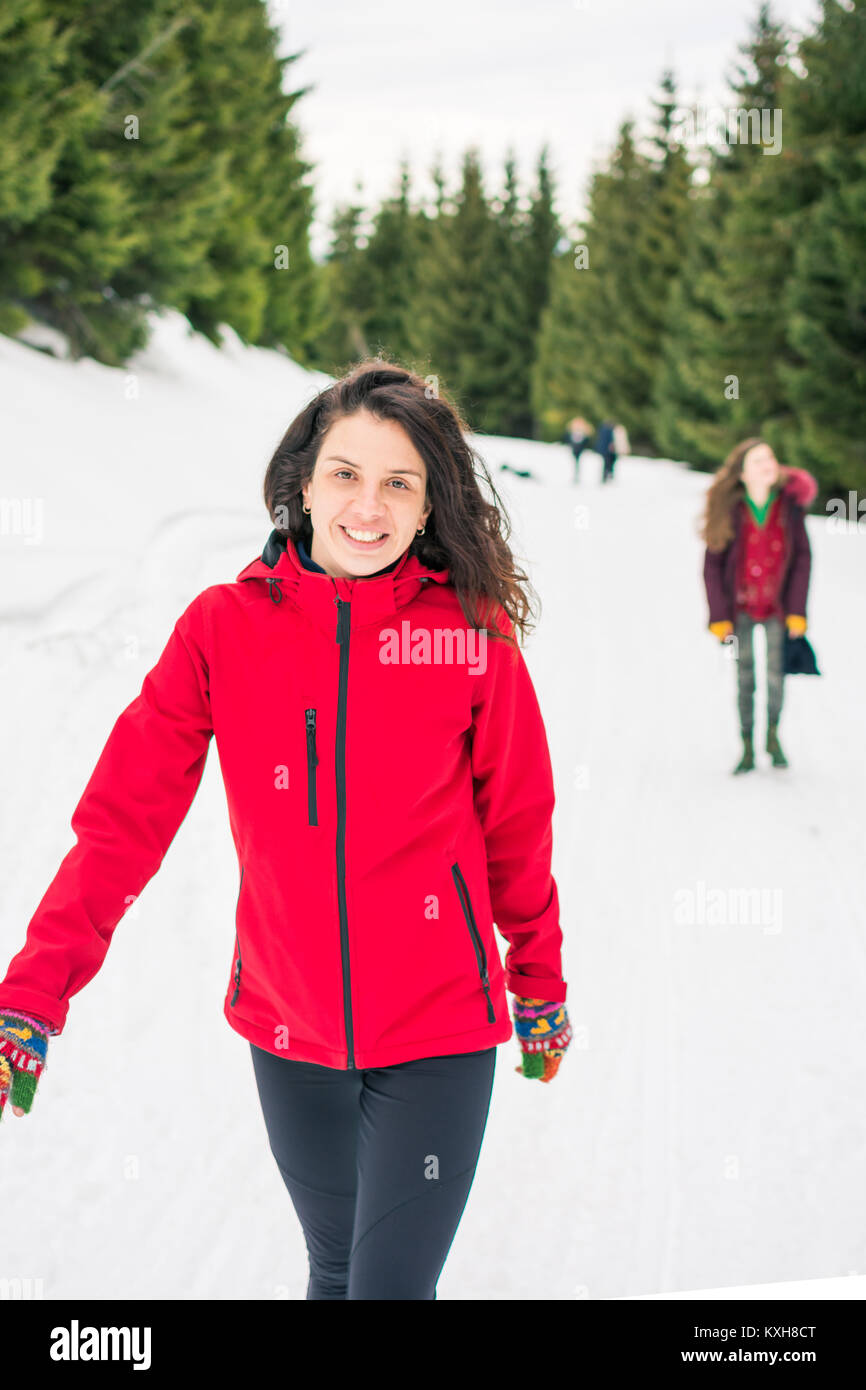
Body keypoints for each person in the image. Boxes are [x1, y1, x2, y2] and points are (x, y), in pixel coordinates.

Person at [0, 358, 573, 1301]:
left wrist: (538, 980)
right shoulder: (223, 628)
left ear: (429, 508)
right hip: (287, 1027)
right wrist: (33, 995)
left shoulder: (469, 636)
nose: (368, 506)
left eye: (400, 483)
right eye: (346, 473)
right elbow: (121, 826)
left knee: (387, 1287)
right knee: (335, 1267)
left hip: (438, 1031)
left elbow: (518, 825)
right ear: (302, 484)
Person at [701, 437, 816, 774]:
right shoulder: (729, 511)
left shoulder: (789, 508)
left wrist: (797, 610)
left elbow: (803, 560)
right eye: (757, 460)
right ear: (742, 474)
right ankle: (747, 745)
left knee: (776, 676)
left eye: (770, 457)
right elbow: (711, 566)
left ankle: (773, 737)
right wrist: (719, 617)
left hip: (779, 609)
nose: (768, 464)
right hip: (739, 612)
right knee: (745, 677)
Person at [561, 415, 593, 482]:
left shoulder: (579, 430)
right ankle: (576, 475)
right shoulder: (577, 430)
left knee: (577, 462)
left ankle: (576, 475)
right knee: (576, 462)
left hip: (578, 448)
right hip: (576, 447)